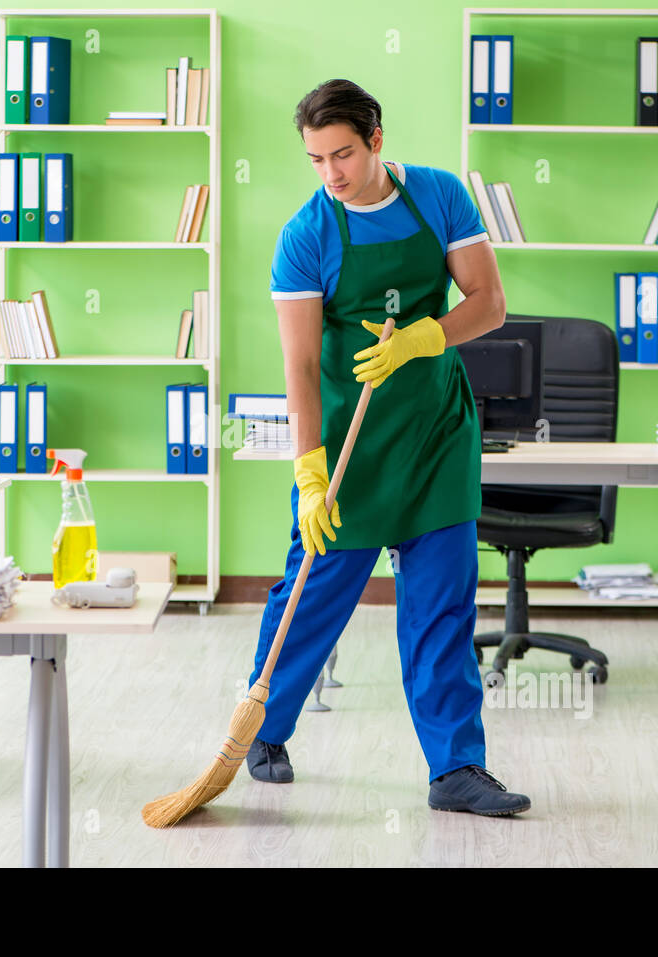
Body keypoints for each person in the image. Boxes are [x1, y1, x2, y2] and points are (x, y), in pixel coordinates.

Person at [245, 79, 530, 815]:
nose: (331, 172)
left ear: (376, 139)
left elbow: (488, 303)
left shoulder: (437, 197)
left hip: (435, 433)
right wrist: (309, 472)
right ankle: (264, 728)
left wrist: (424, 337)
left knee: (442, 605)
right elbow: (301, 366)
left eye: (342, 153)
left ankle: (456, 768)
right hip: (350, 443)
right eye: (315, 159)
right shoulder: (307, 234)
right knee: (312, 592)